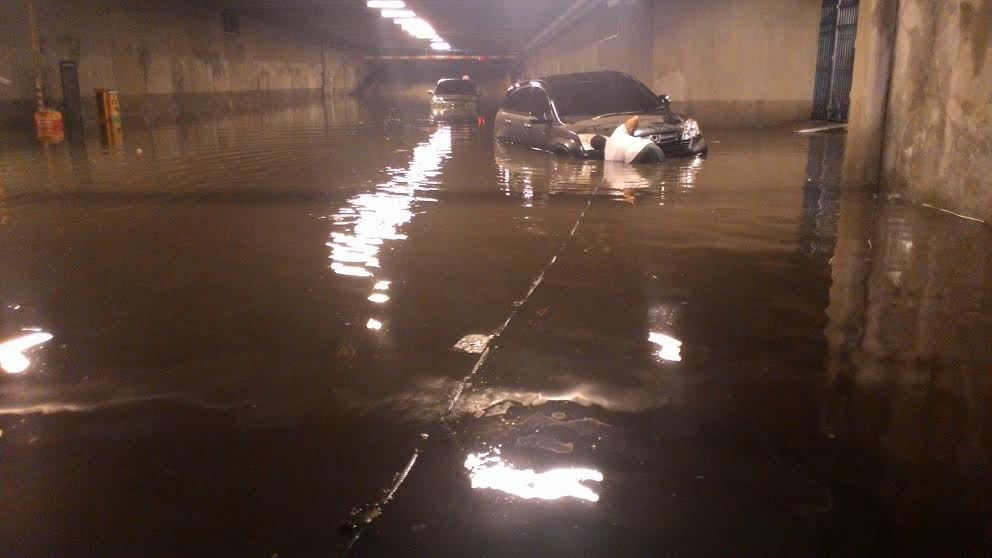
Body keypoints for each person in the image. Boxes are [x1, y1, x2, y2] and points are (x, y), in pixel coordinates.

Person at [599, 115, 666, 164]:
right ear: (606, 138)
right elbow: (636, 118)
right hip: (650, 145)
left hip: (633, 155)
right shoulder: (617, 133)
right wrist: (631, 134)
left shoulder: (607, 158)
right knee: (662, 170)